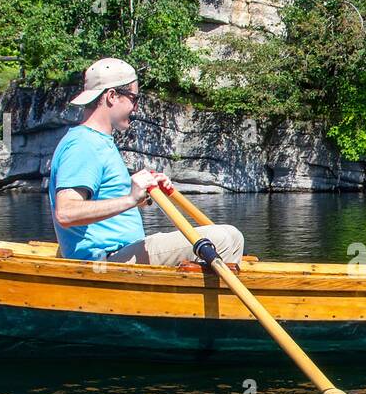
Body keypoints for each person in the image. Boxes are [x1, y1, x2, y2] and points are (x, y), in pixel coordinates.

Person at [48, 58, 244, 267]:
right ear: (112, 96)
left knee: (233, 237)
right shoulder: (83, 144)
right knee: (222, 238)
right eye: (134, 98)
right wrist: (131, 199)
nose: (137, 107)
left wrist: (145, 195)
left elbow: (110, 199)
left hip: (122, 252)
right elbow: (66, 212)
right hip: (104, 261)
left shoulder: (99, 142)